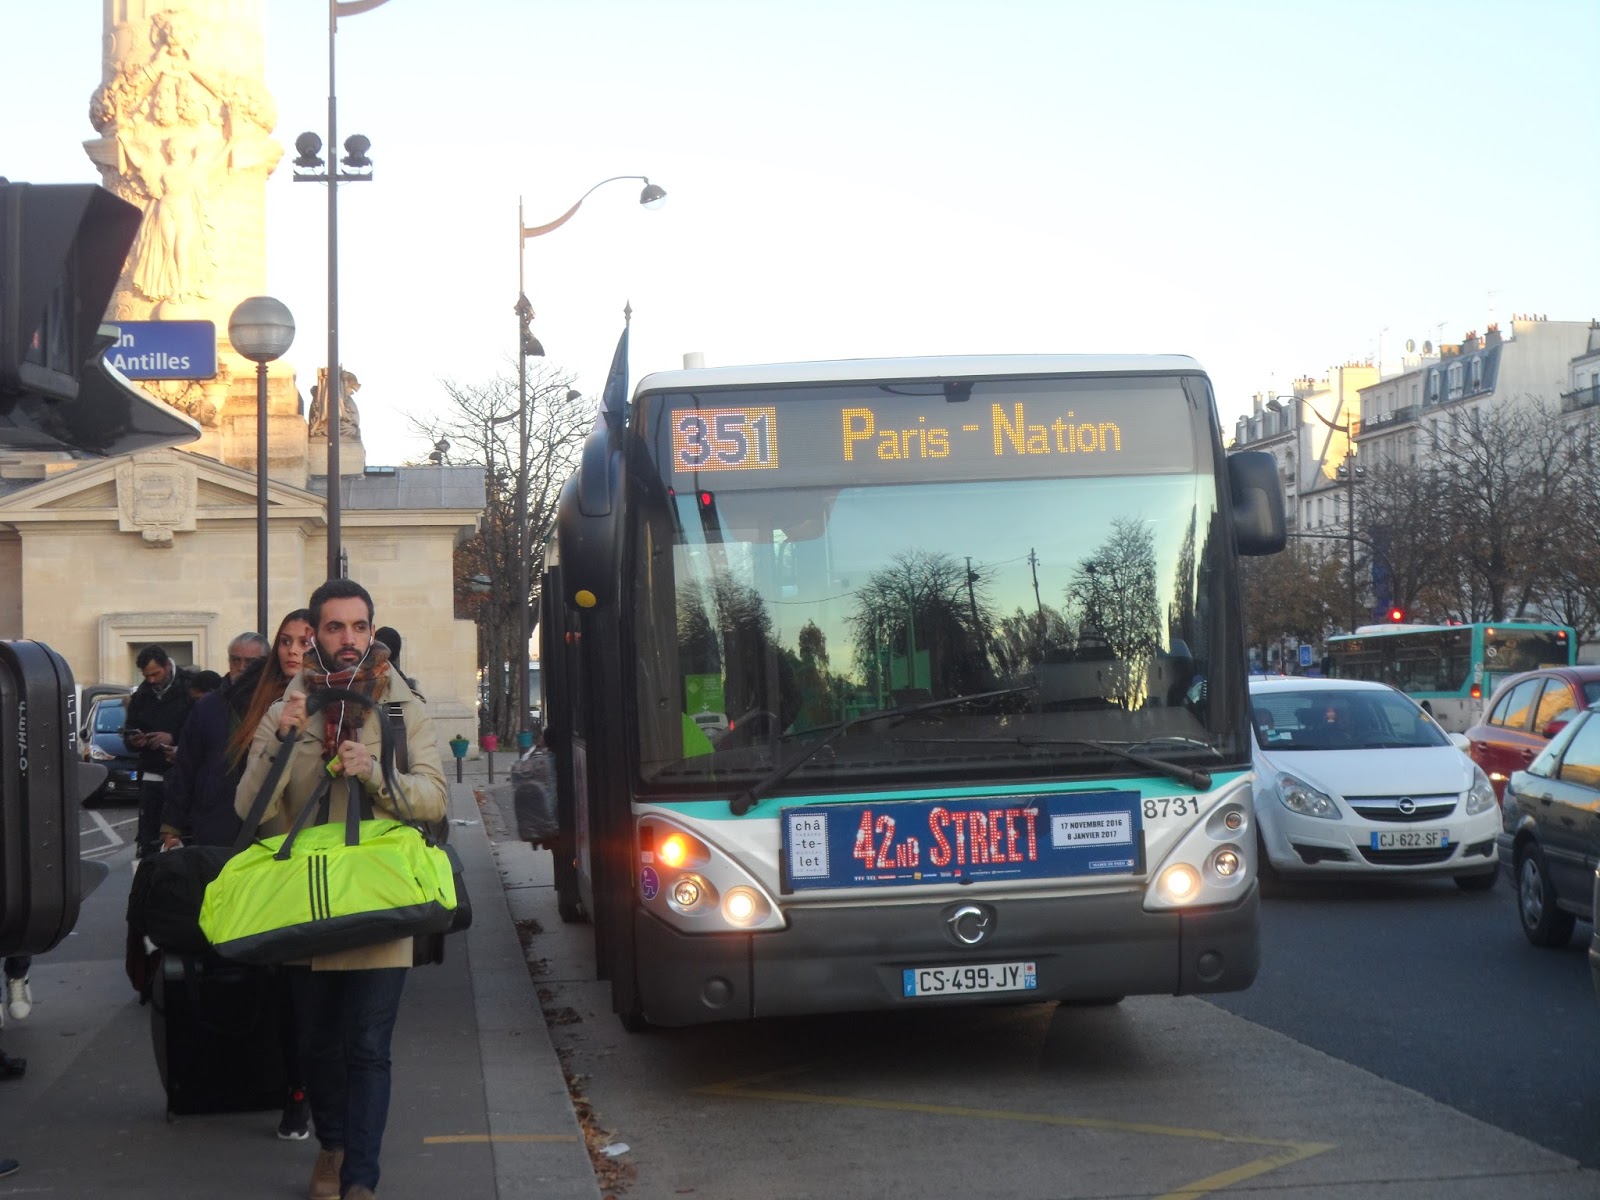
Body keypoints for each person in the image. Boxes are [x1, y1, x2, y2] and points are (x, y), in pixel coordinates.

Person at [234, 579, 446, 1200]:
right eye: (334, 628)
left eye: (358, 627)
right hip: (306, 899)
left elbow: (434, 800)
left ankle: (360, 1178)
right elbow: (247, 813)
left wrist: (376, 774)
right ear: (315, 636)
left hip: (381, 902)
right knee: (318, 1046)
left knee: (368, 1048)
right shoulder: (285, 713)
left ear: (372, 633)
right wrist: (286, 737)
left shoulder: (403, 708)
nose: (348, 639)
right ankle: (332, 1143)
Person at [160, 611, 317, 1140]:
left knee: (298, 979)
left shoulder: (332, 699)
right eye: (286, 641)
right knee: (264, 975)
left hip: (296, 855)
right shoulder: (227, 706)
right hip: (232, 850)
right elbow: (189, 770)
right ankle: (283, 1083)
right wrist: (170, 829)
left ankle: (299, 1086)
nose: (294, 650)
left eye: (306, 640)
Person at [125, 645, 194, 860]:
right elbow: (129, 731)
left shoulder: (190, 686)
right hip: (151, 773)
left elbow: (198, 728)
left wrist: (172, 737)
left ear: (167, 666)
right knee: (149, 835)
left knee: (180, 834)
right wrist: (134, 740)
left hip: (181, 773)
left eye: (156, 674)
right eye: (147, 676)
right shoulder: (141, 694)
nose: (152, 680)